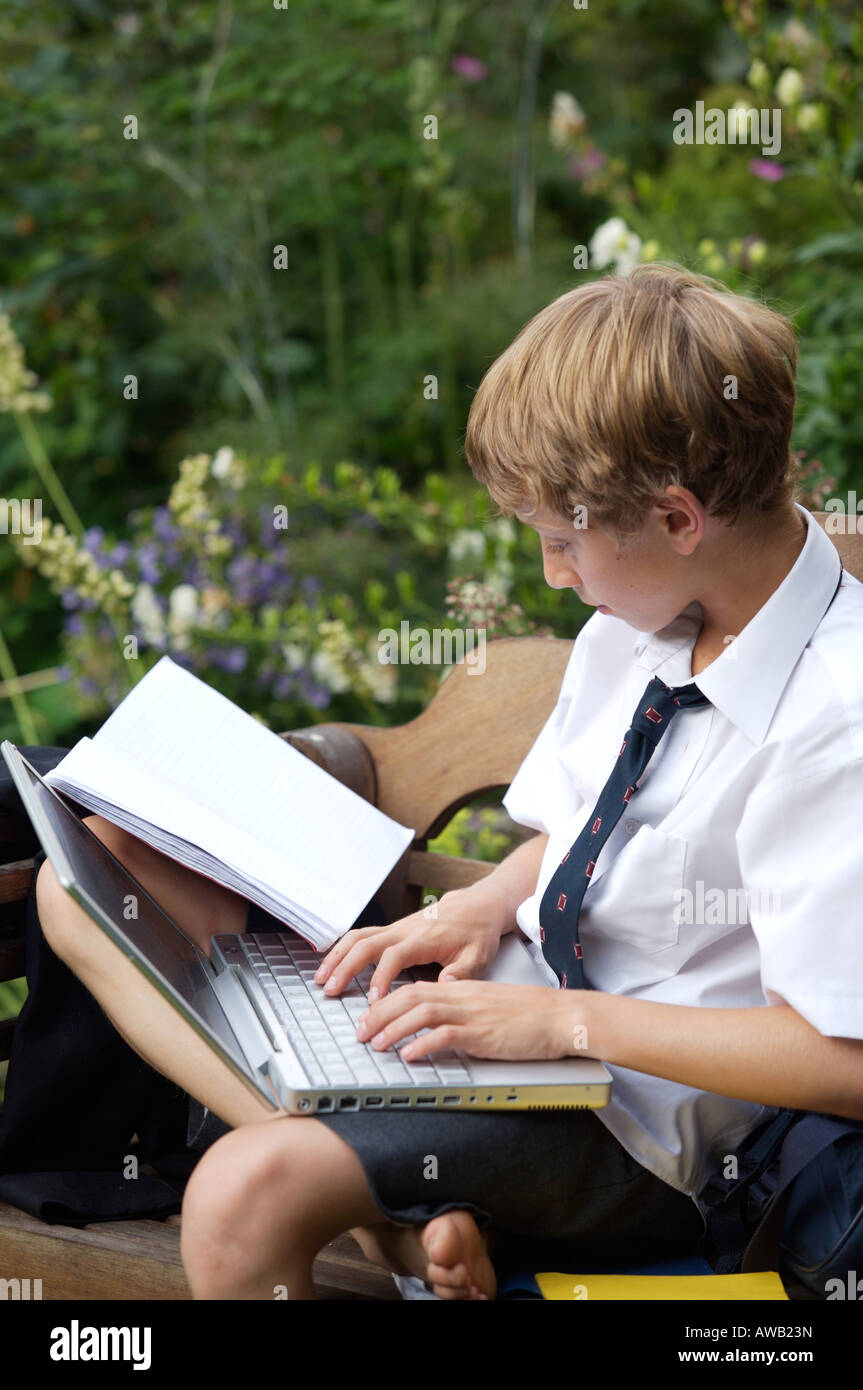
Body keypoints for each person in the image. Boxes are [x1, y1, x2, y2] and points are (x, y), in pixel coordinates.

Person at [35, 263, 863, 1300]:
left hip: (636, 1125)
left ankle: (396, 1203)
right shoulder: (643, 629)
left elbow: (841, 1058)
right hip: (503, 1027)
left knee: (241, 1195)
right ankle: (408, 1210)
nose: (551, 574)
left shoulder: (833, 717)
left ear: (677, 518)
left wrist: (560, 1027)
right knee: (93, 879)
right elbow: (571, 842)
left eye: (561, 542)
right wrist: (478, 904)